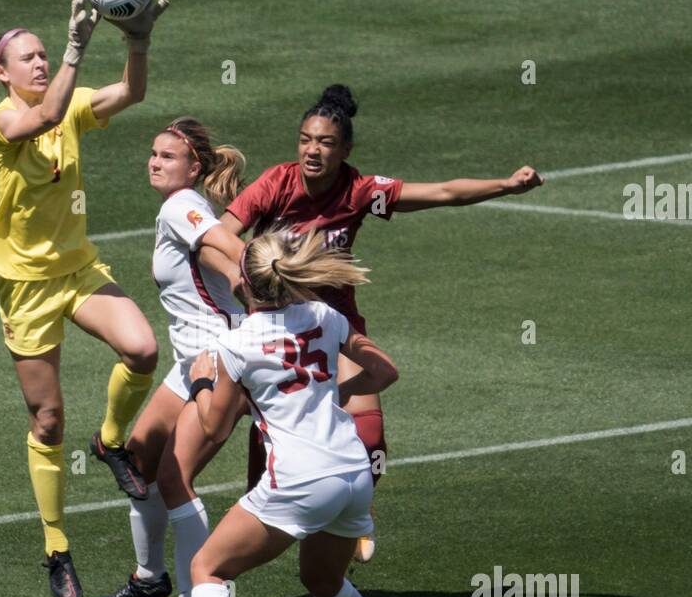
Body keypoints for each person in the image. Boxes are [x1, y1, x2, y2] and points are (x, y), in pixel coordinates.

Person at [218, 84, 543, 563]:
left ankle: (349, 523)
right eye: (306, 139)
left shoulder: (359, 192)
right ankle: (257, 507)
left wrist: (508, 185)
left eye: (325, 142)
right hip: (278, 326)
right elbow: (223, 233)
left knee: (371, 438)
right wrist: (248, 278)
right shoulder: (275, 183)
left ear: (345, 150)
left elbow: (444, 193)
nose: (313, 149)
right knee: (268, 421)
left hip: (338, 328)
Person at [0, 0, 169, 597]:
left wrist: (137, 40)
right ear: (1, 73)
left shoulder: (69, 104)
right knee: (47, 418)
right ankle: (57, 547)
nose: (40, 63)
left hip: (78, 270)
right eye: (29, 57)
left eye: (45, 54)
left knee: (143, 350)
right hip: (27, 288)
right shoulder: (2, 123)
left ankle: (112, 441)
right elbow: (41, 117)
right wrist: (75, 46)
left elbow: (131, 94)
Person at [153, 231, 402, 597]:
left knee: (208, 568)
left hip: (299, 481)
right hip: (353, 474)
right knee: (323, 579)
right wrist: (327, 389)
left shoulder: (233, 343)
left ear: (243, 279)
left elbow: (215, 426)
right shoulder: (326, 317)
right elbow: (384, 372)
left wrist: (204, 380)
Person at [93, 118, 250, 597]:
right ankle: (149, 578)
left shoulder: (180, 206)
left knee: (172, 479)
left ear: (193, 168)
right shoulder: (181, 209)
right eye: (152, 154)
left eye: (167, 156)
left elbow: (220, 241)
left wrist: (258, 267)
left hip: (218, 362)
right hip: (191, 364)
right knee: (138, 459)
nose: (155, 162)